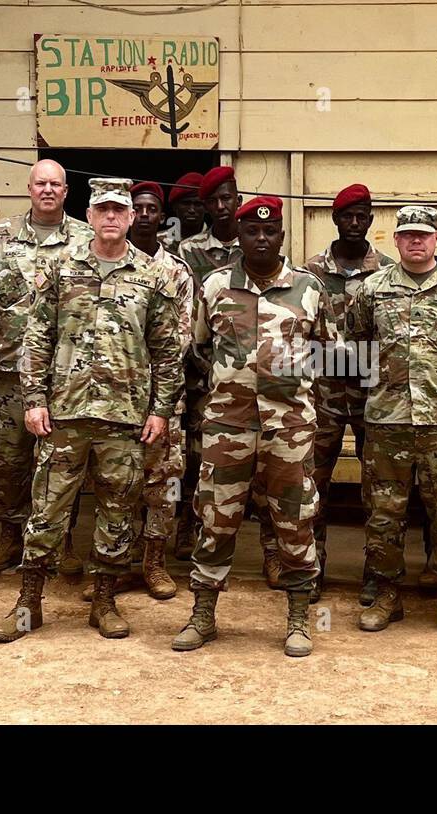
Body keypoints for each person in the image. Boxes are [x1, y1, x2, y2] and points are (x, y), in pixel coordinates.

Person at [0, 178, 183, 643]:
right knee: (47, 509)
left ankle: (104, 600)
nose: (112, 217)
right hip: (65, 414)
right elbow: (36, 339)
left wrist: (159, 411)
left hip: (125, 418)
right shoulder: (60, 268)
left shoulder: (154, 276)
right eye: (103, 210)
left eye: (120, 209)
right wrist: (34, 400)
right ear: (90, 215)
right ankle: (28, 603)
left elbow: (167, 350)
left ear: (131, 217)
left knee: (117, 511)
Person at [172, 196, 334, 657]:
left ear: (282, 235)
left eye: (270, 232)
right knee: (215, 518)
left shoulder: (308, 288)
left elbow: (326, 350)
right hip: (228, 426)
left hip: (290, 429)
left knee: (295, 519)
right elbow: (199, 345)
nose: (261, 239)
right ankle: (203, 614)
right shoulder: (215, 286)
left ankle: (299, 617)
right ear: (239, 237)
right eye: (252, 232)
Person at [348, 205, 437, 637]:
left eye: (424, 235)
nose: (416, 241)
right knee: (383, 513)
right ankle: (387, 593)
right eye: (407, 234)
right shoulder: (371, 290)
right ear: (395, 240)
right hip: (387, 422)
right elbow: (357, 346)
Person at [0, 159, 92, 580]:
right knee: (10, 456)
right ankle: (9, 536)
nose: (48, 190)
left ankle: (63, 540)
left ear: (66, 191)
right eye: (41, 183)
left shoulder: (85, 239)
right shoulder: (2, 235)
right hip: (11, 372)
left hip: (65, 373)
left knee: (62, 459)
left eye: (56, 184)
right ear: (29, 188)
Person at [302, 183, 395, 604]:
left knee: (377, 489)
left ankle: (376, 573)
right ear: (335, 220)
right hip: (322, 394)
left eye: (362, 216)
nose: (355, 223)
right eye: (347, 216)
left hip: (371, 395)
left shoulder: (388, 273)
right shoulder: (309, 272)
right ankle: (311, 568)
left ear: (371, 221)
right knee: (313, 485)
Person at [125, 180, 195, 600]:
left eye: (153, 208)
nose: (146, 215)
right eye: (139, 208)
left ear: (161, 215)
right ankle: (114, 561)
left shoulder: (177, 271)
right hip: (118, 396)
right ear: (130, 215)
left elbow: (182, 336)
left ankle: (154, 561)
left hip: (165, 395)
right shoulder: (110, 264)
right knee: (118, 481)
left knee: (164, 481)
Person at [175, 166, 243, 561]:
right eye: (214, 201)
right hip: (195, 372)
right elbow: (182, 312)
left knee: (226, 455)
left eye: (227, 198)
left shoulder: (253, 244)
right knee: (192, 453)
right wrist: (199, 362)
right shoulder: (187, 252)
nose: (221, 206)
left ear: (237, 199)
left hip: (238, 374)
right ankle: (187, 524)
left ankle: (215, 533)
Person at [166, 170, 207, 251]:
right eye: (186, 203)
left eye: (198, 204)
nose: (191, 210)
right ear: (175, 207)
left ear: (207, 208)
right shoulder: (158, 242)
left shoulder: (217, 243)